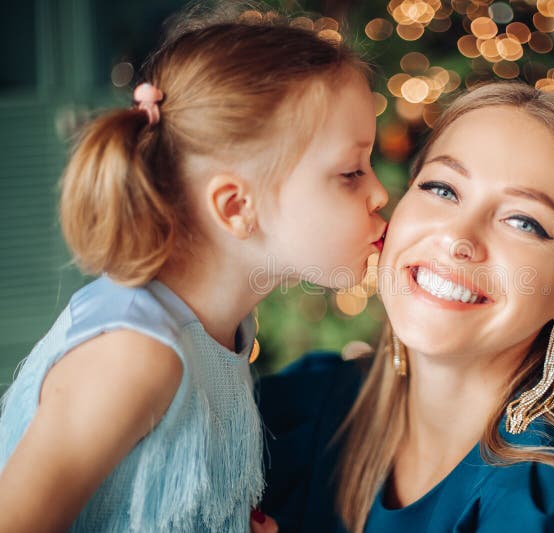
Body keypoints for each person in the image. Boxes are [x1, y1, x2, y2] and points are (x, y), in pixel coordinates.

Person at [0, 6, 387, 531]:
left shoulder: (224, 326)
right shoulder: (135, 356)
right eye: (351, 172)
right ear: (236, 207)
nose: (379, 193)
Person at [259, 82, 554, 532]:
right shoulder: (303, 409)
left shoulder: (550, 509)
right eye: (443, 189)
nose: (459, 239)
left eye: (523, 221)